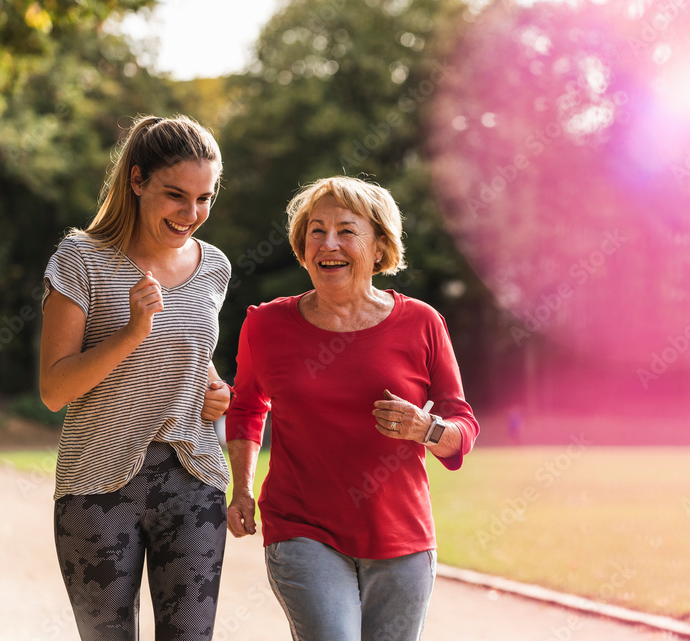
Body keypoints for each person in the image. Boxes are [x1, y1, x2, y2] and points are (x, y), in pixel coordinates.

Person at [225, 176, 479, 641]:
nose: (329, 243)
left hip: (401, 537)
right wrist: (241, 488)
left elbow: (462, 424)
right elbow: (246, 408)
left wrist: (426, 428)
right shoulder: (266, 325)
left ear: (380, 246)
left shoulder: (421, 322)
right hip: (302, 529)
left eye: (346, 230)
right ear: (302, 248)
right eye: (316, 230)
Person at [39, 114, 232, 640]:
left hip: (192, 479)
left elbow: (192, 350)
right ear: (137, 180)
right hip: (97, 487)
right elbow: (55, 390)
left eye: (204, 198)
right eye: (176, 195)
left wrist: (216, 390)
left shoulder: (214, 266)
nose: (191, 213)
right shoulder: (81, 260)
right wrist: (130, 331)